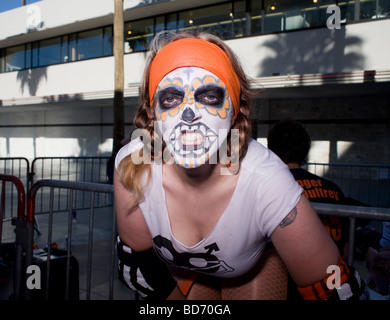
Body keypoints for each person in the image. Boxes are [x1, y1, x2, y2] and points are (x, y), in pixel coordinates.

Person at [113, 30, 364, 300]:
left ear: (235, 111)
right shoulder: (133, 164)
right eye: (171, 98)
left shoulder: (265, 178)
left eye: (209, 96)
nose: (189, 115)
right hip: (176, 277)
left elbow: (332, 284)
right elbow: (139, 263)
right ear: (152, 112)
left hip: (250, 275)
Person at [267, 119, 350, 261]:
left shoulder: (270, 189)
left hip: (290, 275)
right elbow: (346, 248)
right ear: (305, 150)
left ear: (271, 150)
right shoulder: (333, 189)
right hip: (332, 273)